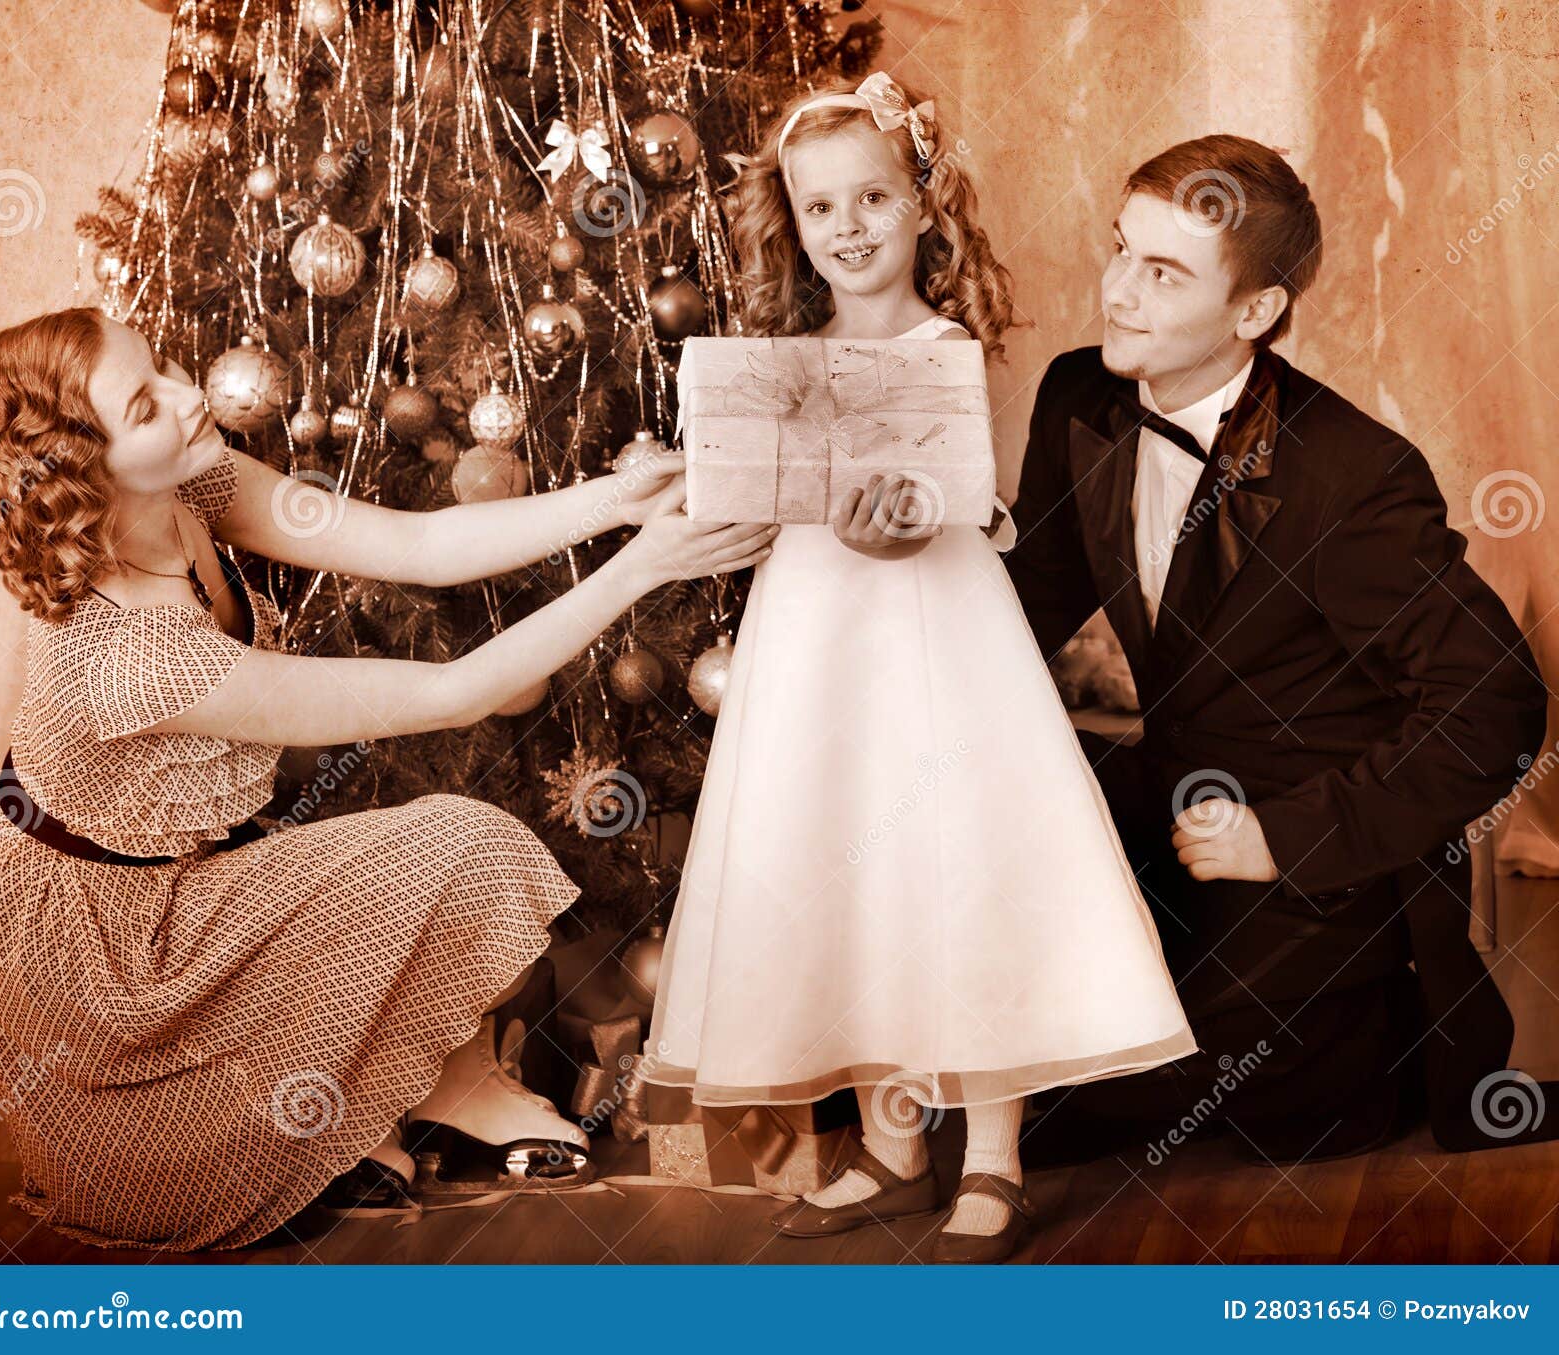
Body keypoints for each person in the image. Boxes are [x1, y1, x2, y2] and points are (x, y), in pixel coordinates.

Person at [0, 306, 777, 1251]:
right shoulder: (130, 654)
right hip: (104, 951)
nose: (190, 401)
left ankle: (434, 1090)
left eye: (169, 370)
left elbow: (414, 546)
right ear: (87, 471)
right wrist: (643, 566)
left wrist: (615, 500)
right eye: (146, 406)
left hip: (185, 870)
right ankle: (393, 1102)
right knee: (453, 846)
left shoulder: (192, 479)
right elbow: (462, 691)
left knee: (435, 855)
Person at [640, 73, 1198, 1265]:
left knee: (958, 863)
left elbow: (952, 499)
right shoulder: (784, 361)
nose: (847, 227)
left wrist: (902, 517)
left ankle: (993, 1160)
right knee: (853, 865)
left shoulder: (941, 346)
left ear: (921, 206)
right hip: (812, 634)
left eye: (873, 198)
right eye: (819, 205)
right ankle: (893, 1149)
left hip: (934, 632)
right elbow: (766, 493)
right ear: (793, 221)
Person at [1005, 134, 1555, 1168]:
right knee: (965, 1078)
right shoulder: (1079, 395)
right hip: (1162, 816)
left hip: (1304, 871)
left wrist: (1287, 835)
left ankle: (1374, 1034)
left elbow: (1496, 703)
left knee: (1116, 1104)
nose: (1116, 291)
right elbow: (1024, 603)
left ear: (1252, 312)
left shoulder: (1351, 476)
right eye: (1118, 249)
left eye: (1162, 272)